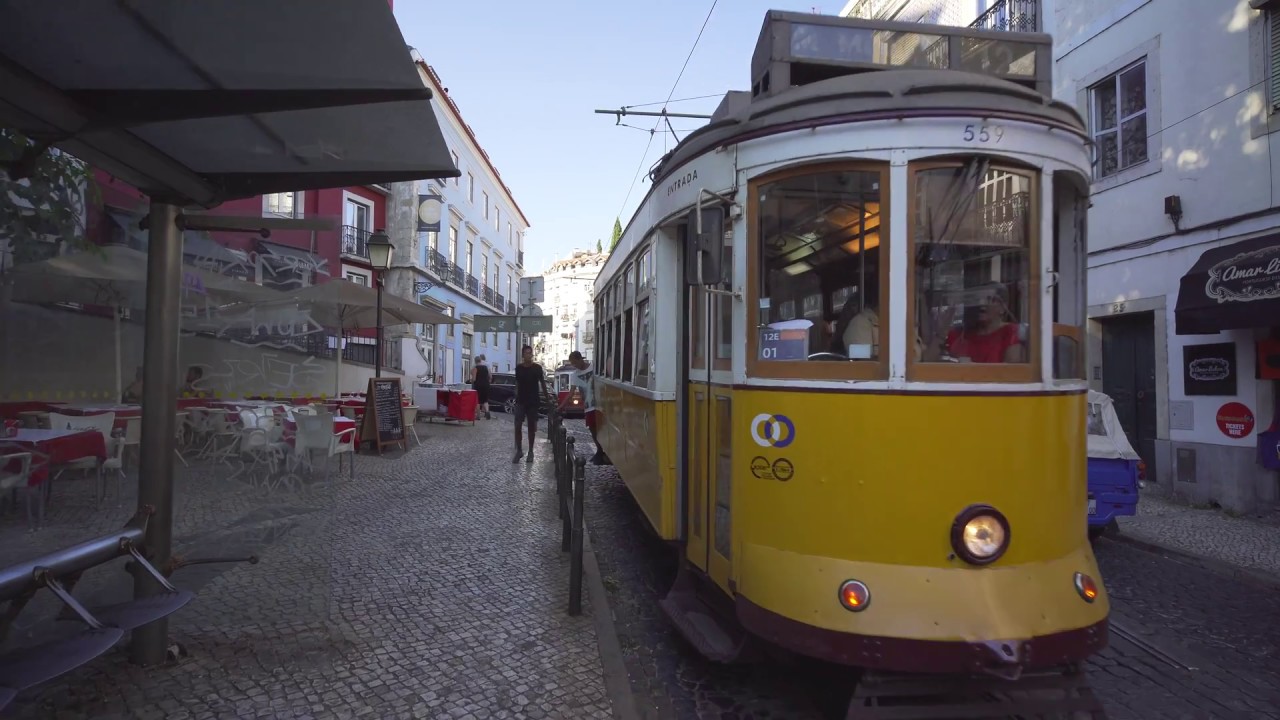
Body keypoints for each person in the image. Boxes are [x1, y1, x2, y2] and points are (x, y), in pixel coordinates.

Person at [558, 350, 609, 465]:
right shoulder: (575, 375)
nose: (575, 366)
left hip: (600, 403)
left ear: (580, 359)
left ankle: (604, 451)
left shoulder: (594, 368)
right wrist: (561, 406)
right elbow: (571, 393)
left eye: (575, 363)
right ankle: (599, 450)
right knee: (592, 428)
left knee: (601, 427)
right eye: (573, 364)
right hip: (588, 406)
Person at [513, 344, 550, 463]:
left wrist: (547, 397)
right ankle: (519, 450)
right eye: (527, 353)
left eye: (531, 353)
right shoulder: (519, 368)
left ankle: (531, 451)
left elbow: (542, 383)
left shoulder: (537, 368)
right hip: (521, 400)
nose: (530, 355)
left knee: (531, 427)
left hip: (533, 401)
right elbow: (517, 383)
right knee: (517, 425)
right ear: (523, 355)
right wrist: (516, 395)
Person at [469, 354, 492, 420]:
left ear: (475, 361)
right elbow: (490, 376)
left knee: (478, 401)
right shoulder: (485, 367)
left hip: (478, 385)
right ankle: (487, 412)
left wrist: (471, 380)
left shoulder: (475, 368)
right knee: (485, 400)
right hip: (486, 385)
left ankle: (478, 416)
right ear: (480, 361)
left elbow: (474, 379)